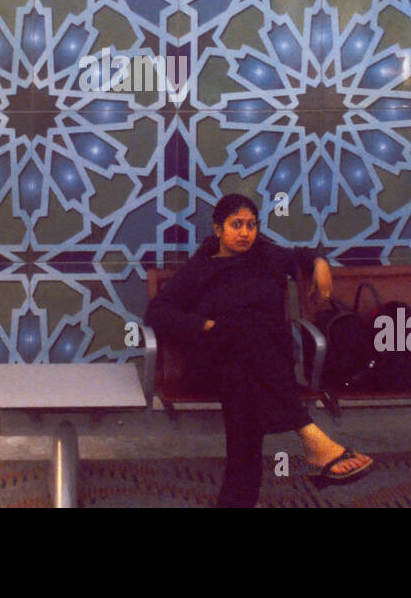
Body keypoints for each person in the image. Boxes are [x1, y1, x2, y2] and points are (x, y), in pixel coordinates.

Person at [145, 193, 373, 507]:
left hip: (251, 370)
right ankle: (308, 432)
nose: (245, 232)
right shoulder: (200, 269)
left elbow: (301, 255)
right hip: (212, 362)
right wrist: (206, 326)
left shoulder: (267, 257)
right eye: (236, 224)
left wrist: (319, 265)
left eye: (251, 225)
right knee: (244, 330)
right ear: (218, 229)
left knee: (243, 386)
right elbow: (157, 312)